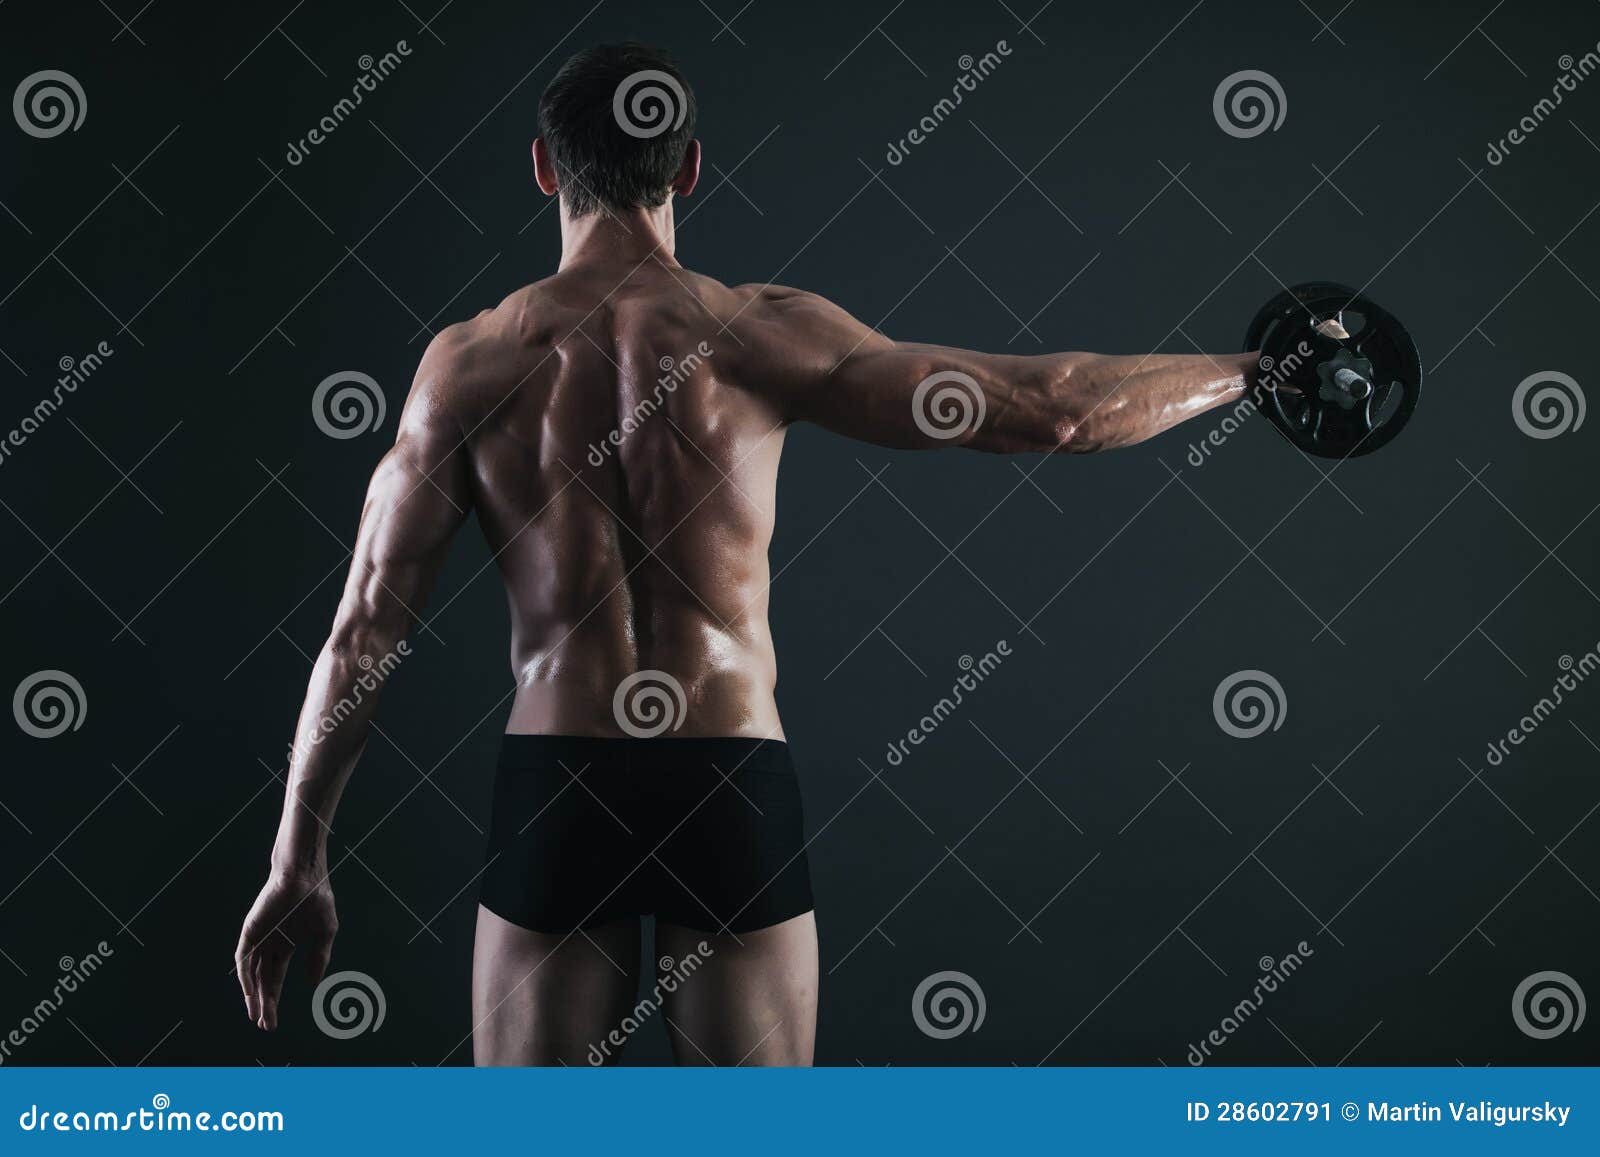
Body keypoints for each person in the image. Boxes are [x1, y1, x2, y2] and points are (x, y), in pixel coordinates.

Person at [235, 41, 1259, 1066]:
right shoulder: (758, 335)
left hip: (560, 777)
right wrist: (1255, 368)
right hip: (725, 774)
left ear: (545, 168)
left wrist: (299, 856)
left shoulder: (468, 364)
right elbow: (1049, 412)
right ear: (686, 168)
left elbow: (364, 629)